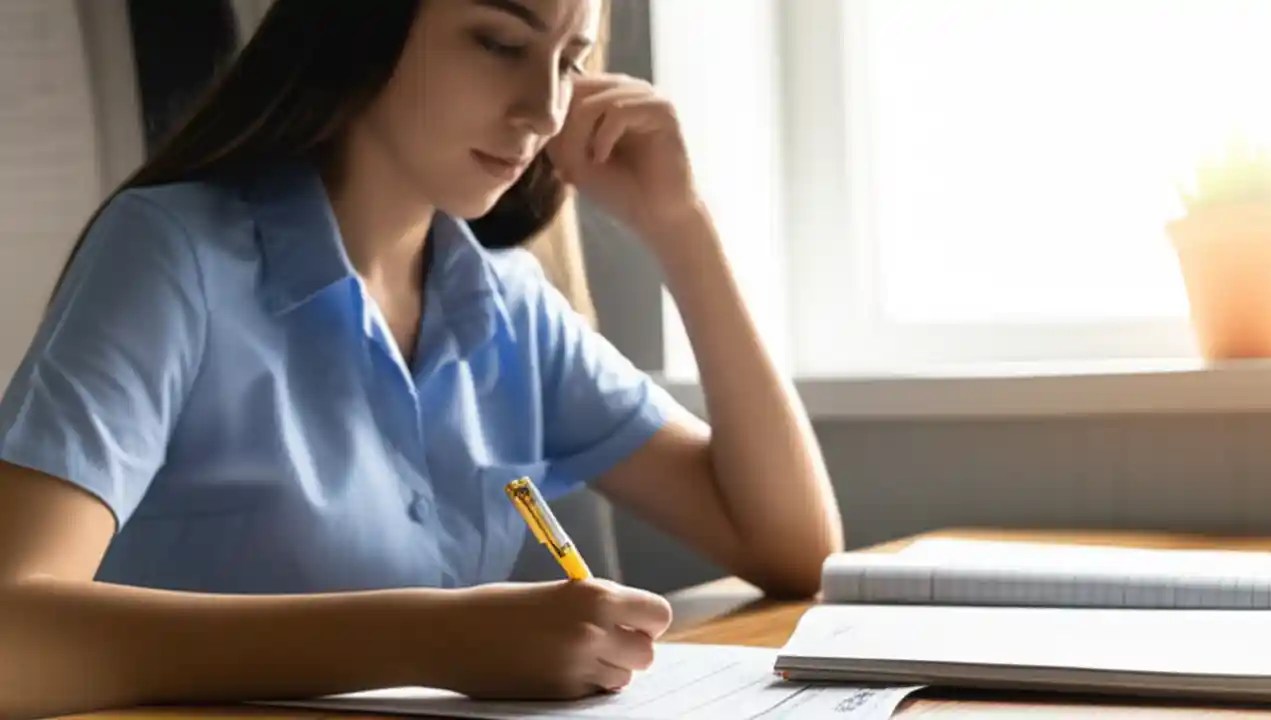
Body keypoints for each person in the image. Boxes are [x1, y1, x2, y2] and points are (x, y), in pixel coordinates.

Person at [0, 0, 843, 717]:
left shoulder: (505, 302)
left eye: (569, 62)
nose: (546, 110)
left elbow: (794, 548)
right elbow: (12, 636)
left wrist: (680, 223)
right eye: (501, 44)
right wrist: (434, 639)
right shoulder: (173, 253)